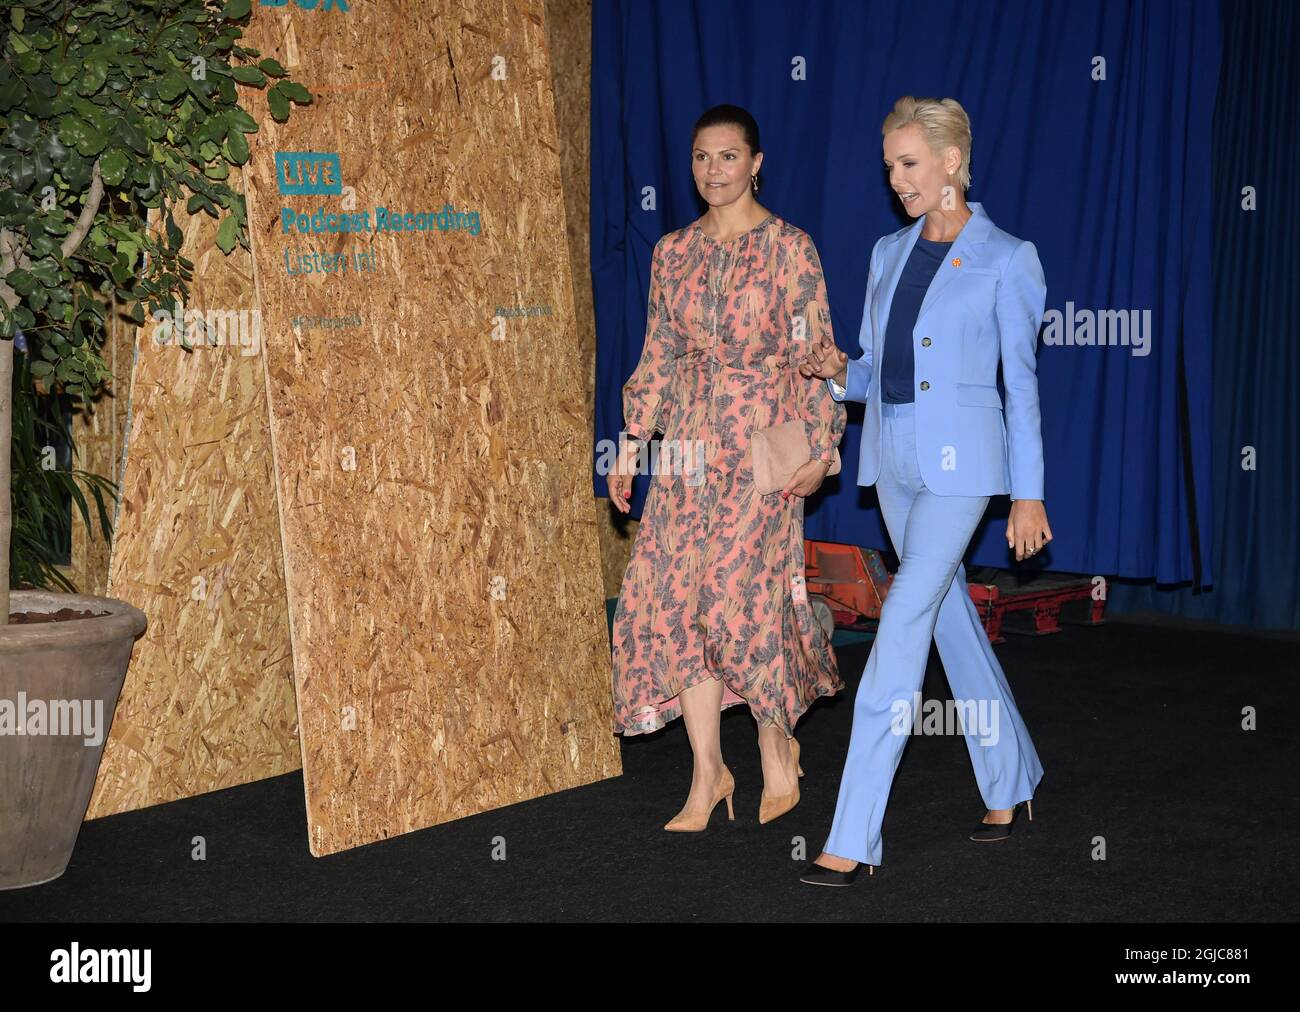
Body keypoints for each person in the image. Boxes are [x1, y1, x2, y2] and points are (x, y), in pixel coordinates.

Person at [798, 96, 1051, 885]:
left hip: (964, 469)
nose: (897, 179)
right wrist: (841, 371)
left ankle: (853, 836)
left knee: (902, 622)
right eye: (890, 167)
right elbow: (879, 373)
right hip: (894, 461)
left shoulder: (1008, 257)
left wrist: (1028, 495)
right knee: (946, 621)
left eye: (909, 164)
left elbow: (1023, 386)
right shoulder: (886, 252)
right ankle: (1011, 778)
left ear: (951, 162)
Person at [608, 104, 846, 831]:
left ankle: (777, 750)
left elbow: (818, 357)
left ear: (757, 162)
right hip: (685, 449)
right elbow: (657, 354)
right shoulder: (672, 253)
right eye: (703, 157)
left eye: (729, 156)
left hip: (758, 449)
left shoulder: (790, 249)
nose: (715, 170)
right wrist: (631, 442)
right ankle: (708, 772)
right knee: (677, 599)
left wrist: (821, 445)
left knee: (745, 599)